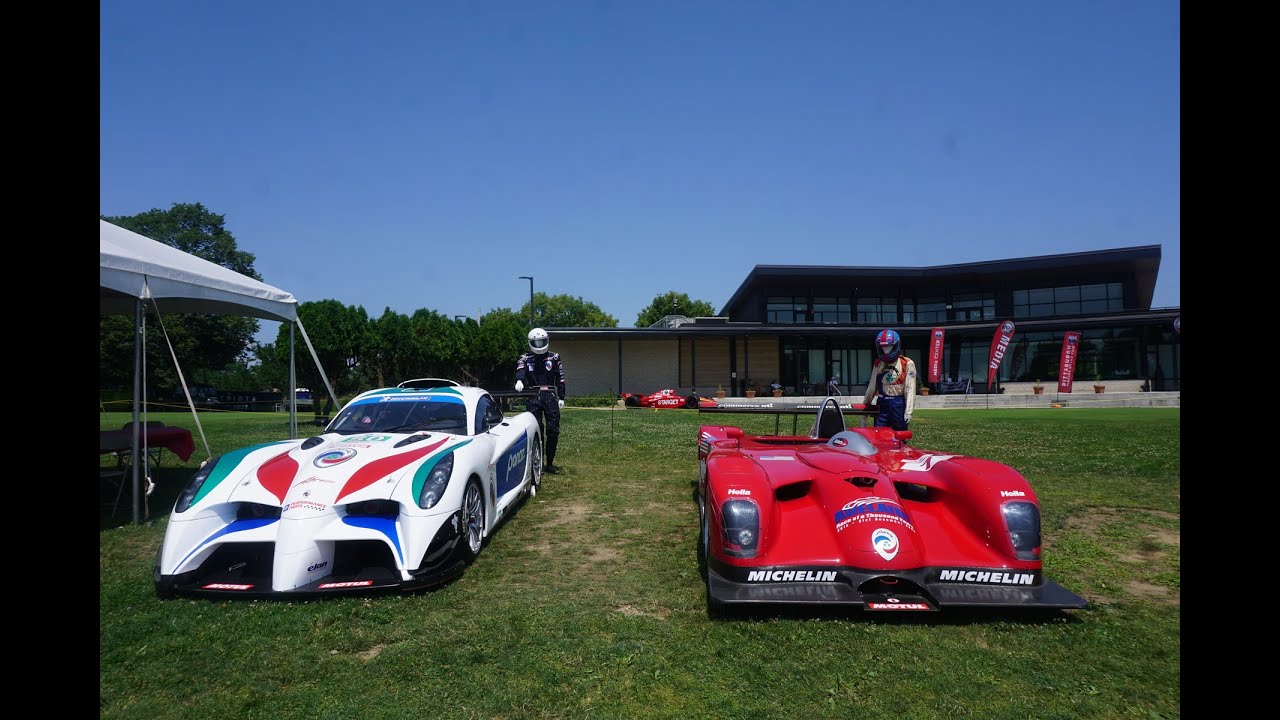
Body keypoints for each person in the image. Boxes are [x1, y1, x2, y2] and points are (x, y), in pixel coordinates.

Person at [514, 327, 567, 474]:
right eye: (536, 343)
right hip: (533, 395)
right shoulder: (525, 358)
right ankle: (537, 462)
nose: (539, 345)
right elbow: (521, 371)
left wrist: (562, 396)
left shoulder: (554, 357)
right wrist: (519, 380)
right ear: (531, 343)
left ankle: (549, 463)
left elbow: (560, 378)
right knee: (536, 430)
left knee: (553, 430)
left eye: (541, 342)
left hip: (550, 395)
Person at [862, 329, 917, 431]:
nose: (885, 351)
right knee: (879, 434)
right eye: (883, 348)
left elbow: (910, 389)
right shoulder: (878, 363)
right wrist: (865, 407)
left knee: (899, 435)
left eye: (888, 347)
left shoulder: (907, 363)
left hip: (898, 404)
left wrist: (908, 412)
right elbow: (872, 387)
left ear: (896, 345)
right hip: (882, 403)